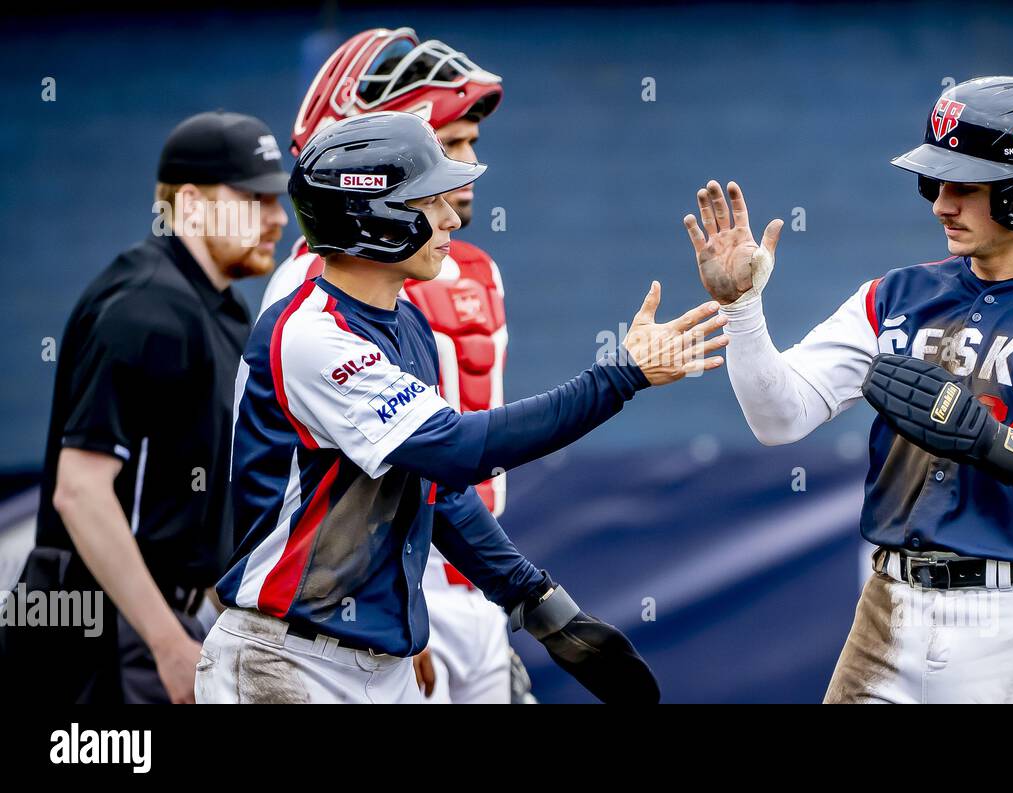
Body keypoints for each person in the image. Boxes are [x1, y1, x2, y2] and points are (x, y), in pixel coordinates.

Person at [197, 110, 727, 704]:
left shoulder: (409, 324)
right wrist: (621, 377)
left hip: (381, 663)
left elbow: (435, 490)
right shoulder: (311, 335)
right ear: (375, 215)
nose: (452, 217)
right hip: (285, 660)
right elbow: (459, 451)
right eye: (429, 201)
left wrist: (534, 600)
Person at [682, 76, 1013, 703]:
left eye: (965, 185)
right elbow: (781, 418)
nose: (940, 203)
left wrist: (999, 447)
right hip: (888, 608)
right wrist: (743, 308)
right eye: (934, 183)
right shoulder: (897, 296)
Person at [266, 27, 524, 703]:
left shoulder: (477, 268)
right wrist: (390, 608)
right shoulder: (321, 281)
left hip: (476, 577)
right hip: (396, 587)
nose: (469, 164)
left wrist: (517, 595)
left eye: (472, 143)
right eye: (451, 144)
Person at [0, 112, 289, 703]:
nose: (277, 218)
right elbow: (79, 492)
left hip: (157, 621)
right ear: (190, 203)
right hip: (88, 627)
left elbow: (188, 514)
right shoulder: (144, 307)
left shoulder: (225, 314)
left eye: (277, 200)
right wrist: (166, 642)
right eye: (254, 199)